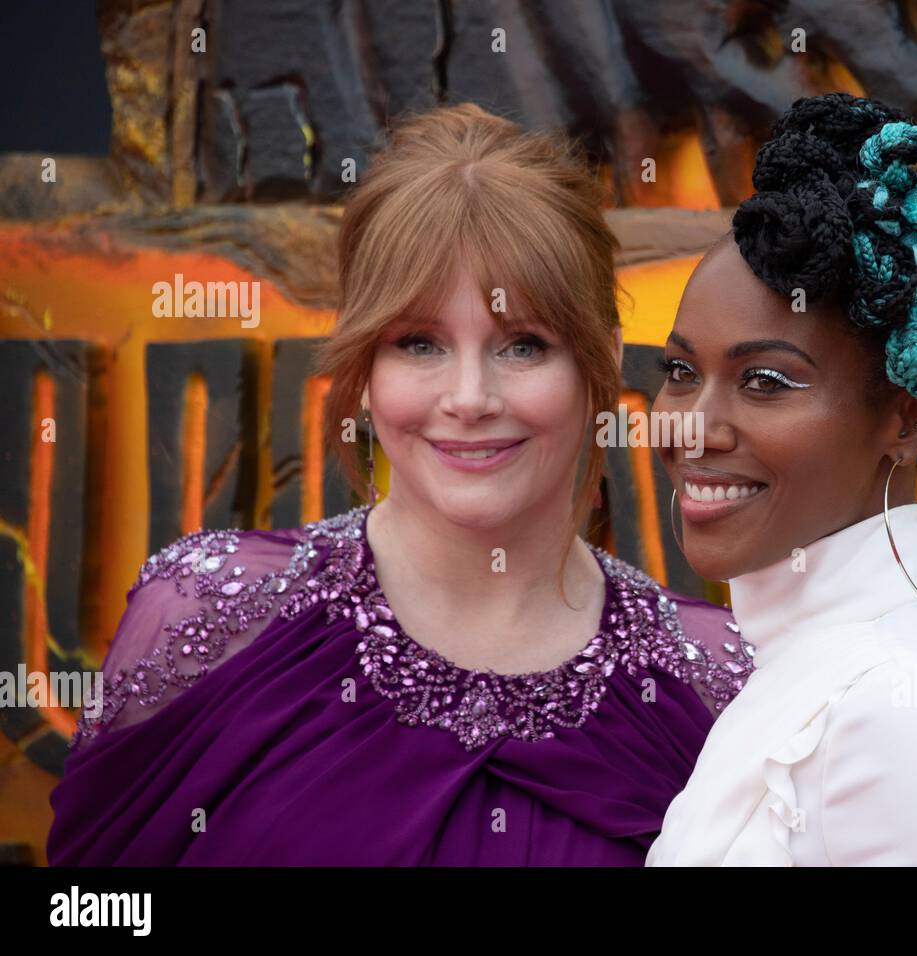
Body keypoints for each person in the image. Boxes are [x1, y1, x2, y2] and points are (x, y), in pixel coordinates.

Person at [45, 103, 751, 866]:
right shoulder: (207, 616)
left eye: (523, 345)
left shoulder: (715, 687)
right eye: (420, 343)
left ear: (603, 360)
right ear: (365, 366)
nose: (470, 397)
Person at [646, 93, 917, 865]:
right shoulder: (822, 661)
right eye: (679, 370)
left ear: (907, 418)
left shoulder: (902, 709)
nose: (690, 425)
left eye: (767, 381)